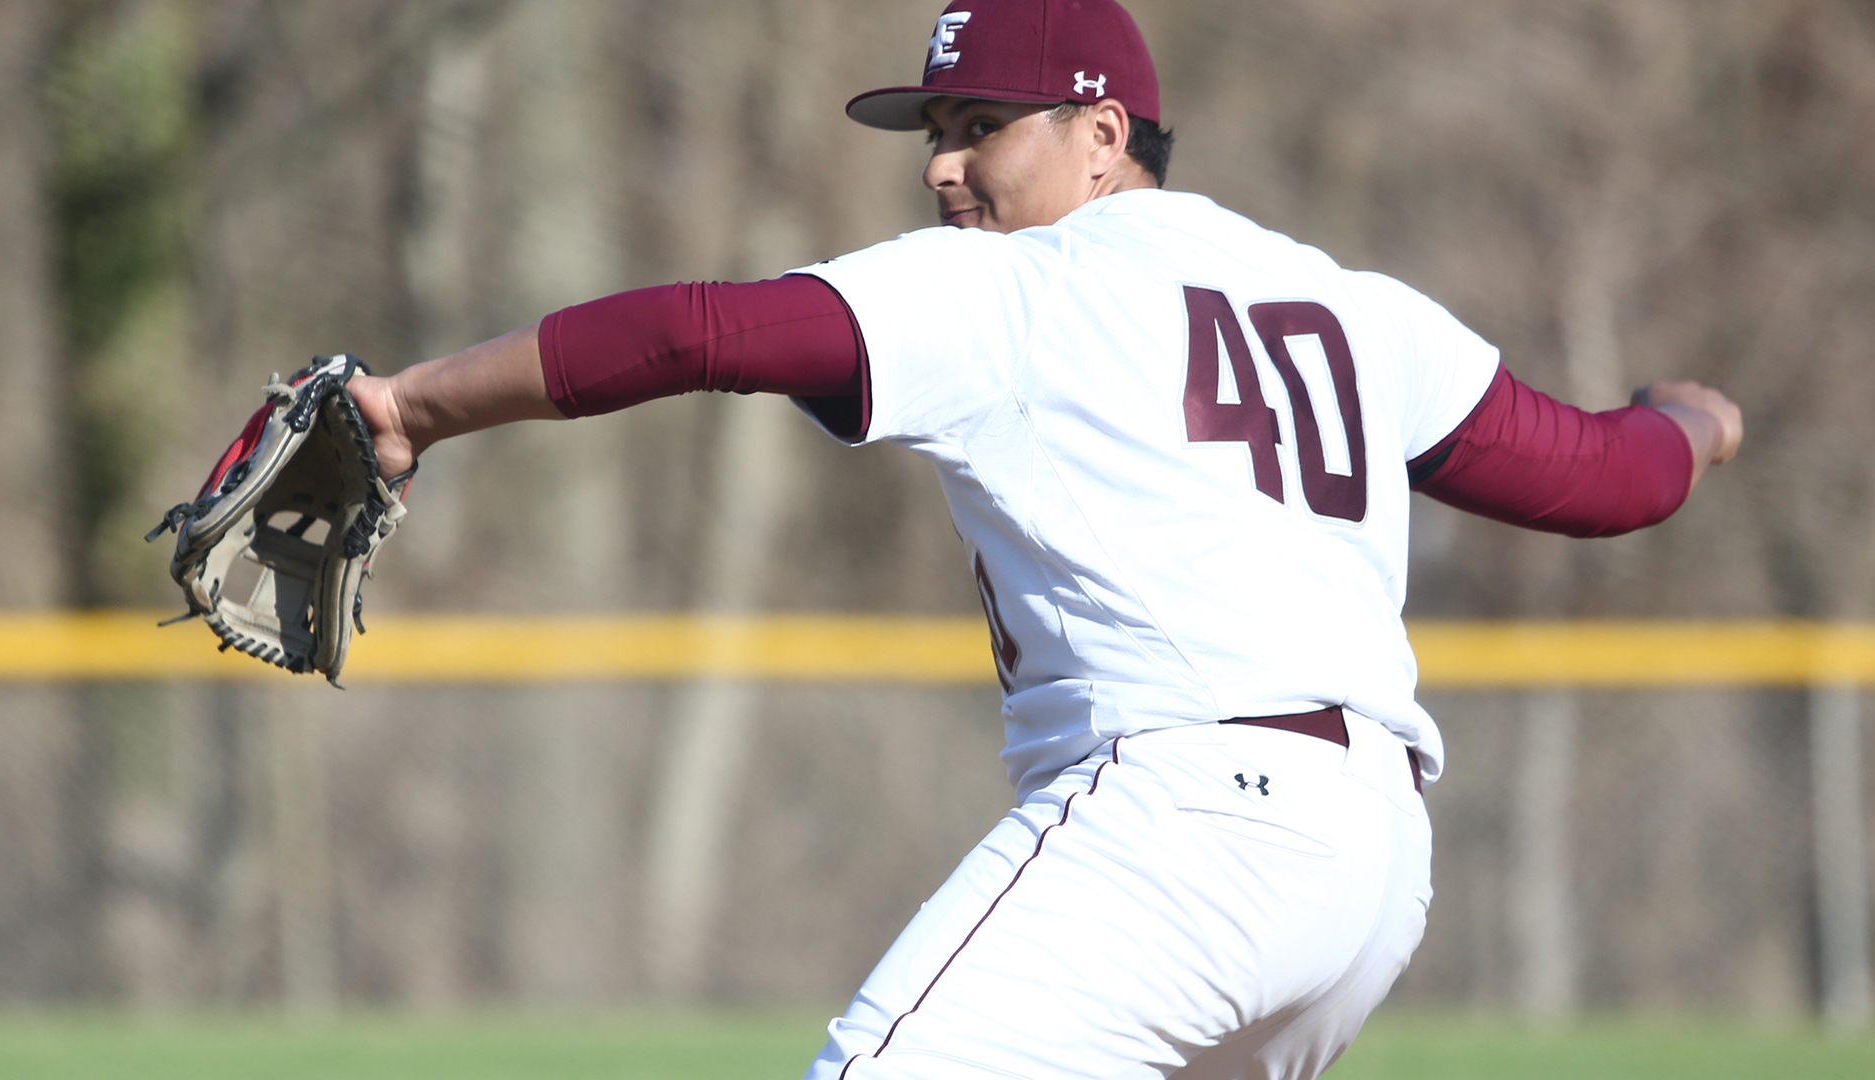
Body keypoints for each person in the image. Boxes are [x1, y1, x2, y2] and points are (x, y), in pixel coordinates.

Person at [348, 2, 1743, 1076]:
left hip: (1191, 817)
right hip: (1371, 866)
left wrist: (416, 403)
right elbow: (1599, 477)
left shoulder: (1026, 286)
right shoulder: (1347, 303)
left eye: (982, 123)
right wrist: (1684, 425)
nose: (945, 167)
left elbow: (701, 331)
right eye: (934, 130)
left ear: (1101, 134)